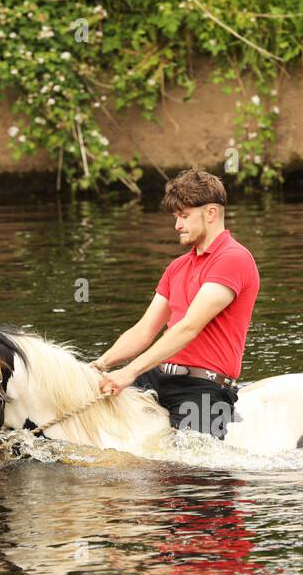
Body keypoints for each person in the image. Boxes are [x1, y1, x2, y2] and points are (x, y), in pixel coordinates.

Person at [94, 168, 259, 440]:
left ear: (210, 214)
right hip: (155, 377)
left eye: (184, 216)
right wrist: (99, 366)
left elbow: (188, 328)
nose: (177, 225)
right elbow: (143, 331)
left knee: (190, 471)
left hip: (203, 387)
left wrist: (129, 372)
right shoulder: (177, 267)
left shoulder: (233, 259)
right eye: (176, 217)